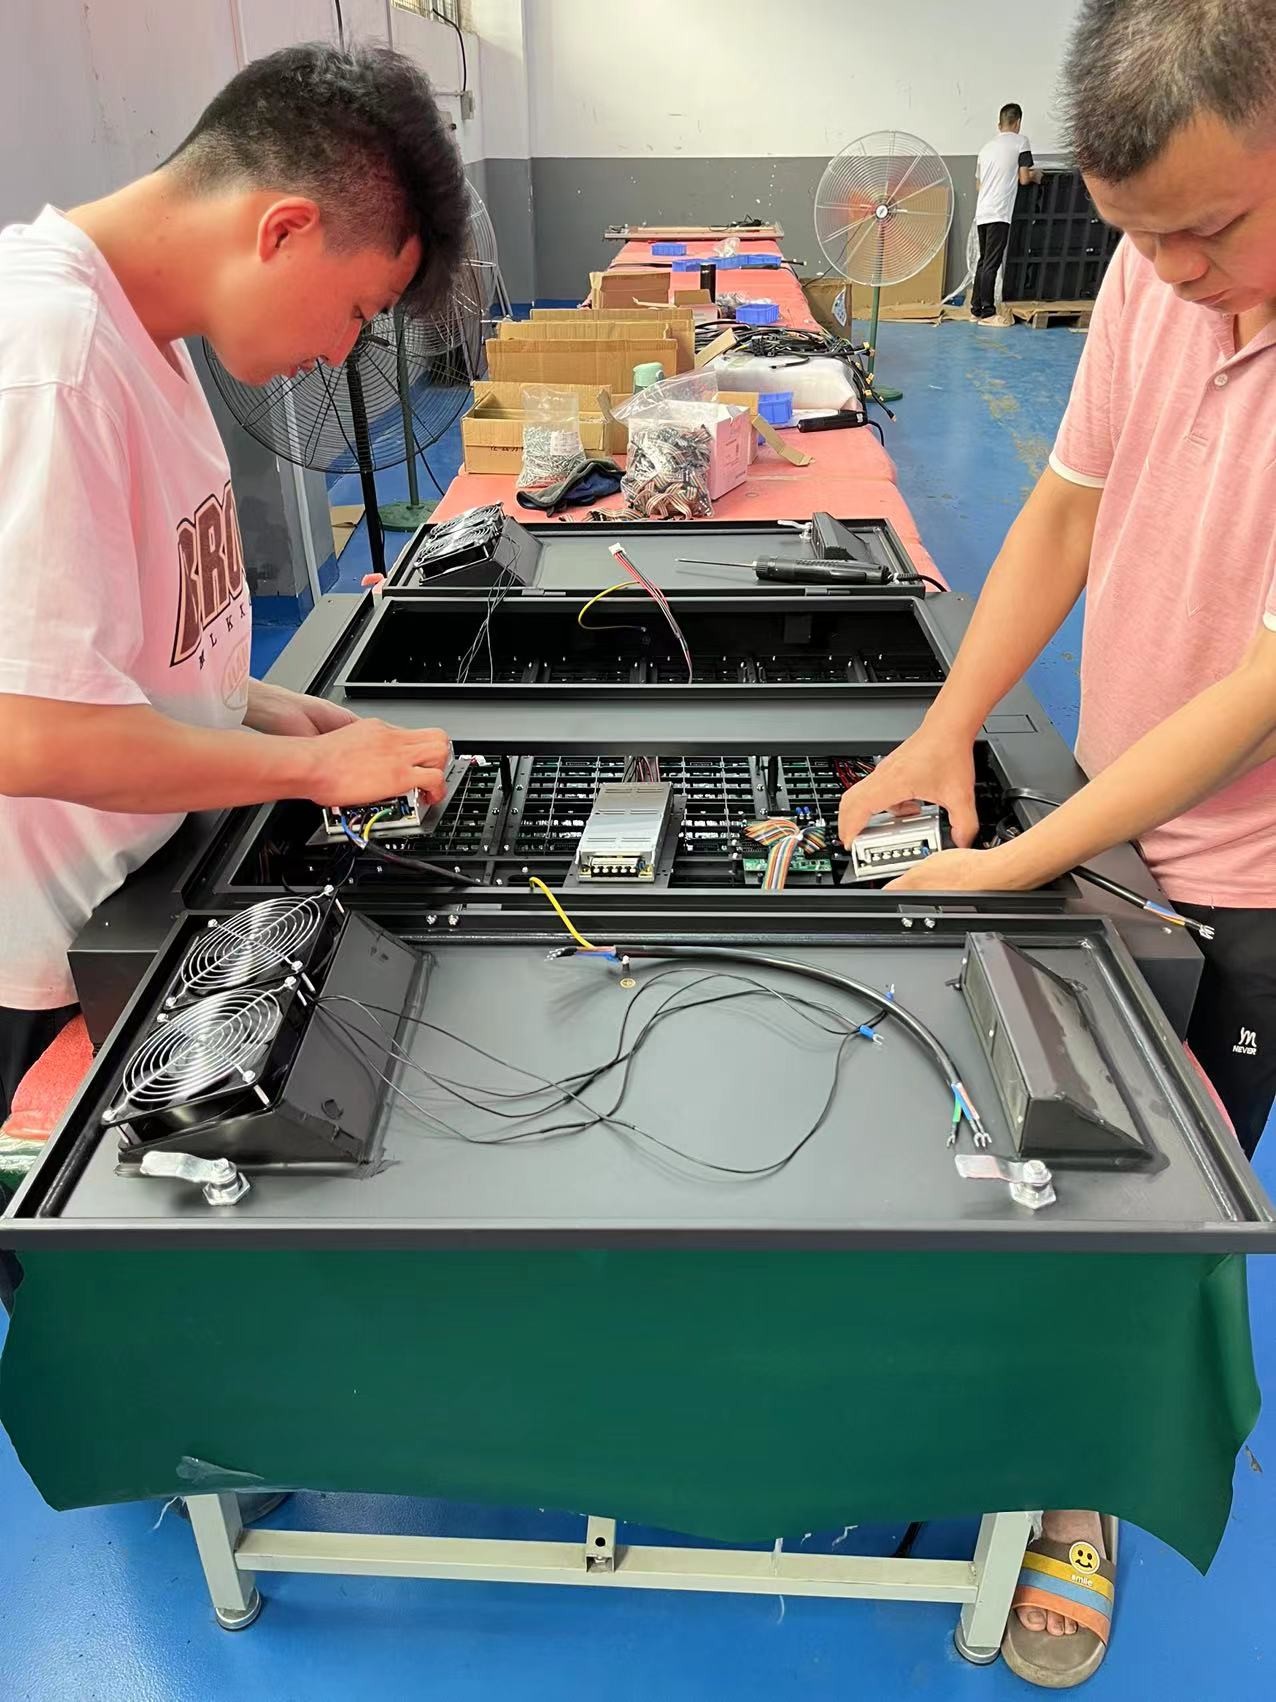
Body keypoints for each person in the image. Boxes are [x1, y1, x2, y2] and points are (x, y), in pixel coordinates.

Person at [840, 0, 1276, 1685]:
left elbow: (1257, 693)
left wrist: (1026, 860)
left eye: (1208, 229)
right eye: (1138, 236)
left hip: (1250, 879)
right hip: (1114, 806)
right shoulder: (1154, 279)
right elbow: (1069, 504)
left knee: (1164, 1196)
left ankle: (1082, 1489)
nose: (1171, 271)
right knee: (1051, 1148)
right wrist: (947, 727)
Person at [0, 42, 470, 1123]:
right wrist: (305, 772)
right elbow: (30, 731)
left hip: (132, 887)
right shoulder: (52, 357)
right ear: (284, 229)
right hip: (41, 965)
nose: (344, 352)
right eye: (358, 310)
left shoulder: (146, 338)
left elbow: (118, 644)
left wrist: (265, 710)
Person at [971, 102, 1042, 323]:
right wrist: (1037, 176)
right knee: (992, 263)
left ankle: (975, 308)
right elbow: (1024, 178)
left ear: (999, 124)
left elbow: (978, 185)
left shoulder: (985, 148)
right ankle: (987, 311)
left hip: (983, 211)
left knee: (984, 260)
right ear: (1018, 122)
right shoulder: (1021, 142)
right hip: (999, 211)